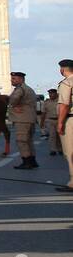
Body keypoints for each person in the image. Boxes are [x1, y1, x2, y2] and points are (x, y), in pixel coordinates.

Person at [7, 70, 39, 169]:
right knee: (29, 141)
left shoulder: (20, 89)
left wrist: (13, 104)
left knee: (21, 141)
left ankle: (26, 161)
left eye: (14, 78)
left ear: (21, 79)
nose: (11, 80)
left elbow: (14, 99)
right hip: (29, 118)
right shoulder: (29, 89)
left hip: (22, 119)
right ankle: (33, 161)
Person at [55, 59, 73, 194]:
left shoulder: (67, 83)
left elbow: (64, 104)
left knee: (70, 153)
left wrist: (60, 123)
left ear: (62, 70)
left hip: (71, 120)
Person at [42, 88, 61, 155]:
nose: (51, 95)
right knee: (52, 136)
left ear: (56, 94)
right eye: (50, 93)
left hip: (59, 120)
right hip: (50, 120)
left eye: (52, 93)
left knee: (59, 136)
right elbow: (44, 113)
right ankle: (53, 150)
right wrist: (42, 122)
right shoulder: (46, 102)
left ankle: (60, 149)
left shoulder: (60, 101)